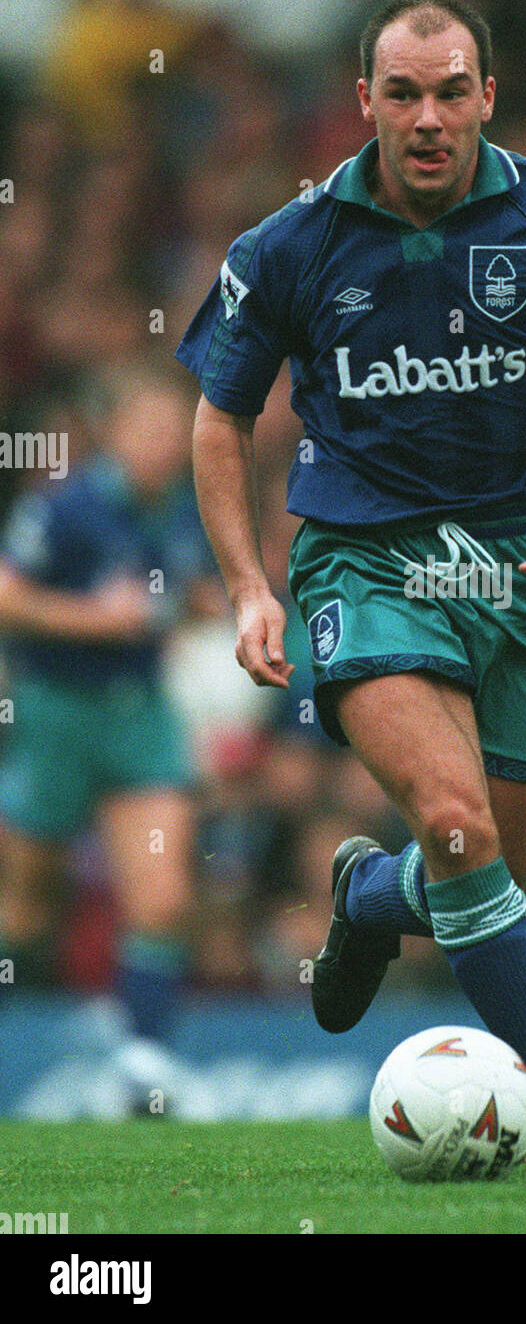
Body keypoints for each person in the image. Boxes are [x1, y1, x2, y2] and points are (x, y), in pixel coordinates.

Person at [180, 0, 526, 1174]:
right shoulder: (289, 245)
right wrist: (248, 587)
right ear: (363, 99)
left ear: (487, 96)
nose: (427, 119)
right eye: (402, 94)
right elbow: (220, 417)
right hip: (361, 560)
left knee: (495, 879)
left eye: (450, 91)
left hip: (519, 568)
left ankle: (369, 895)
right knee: (462, 832)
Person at [0, 374, 216, 1101]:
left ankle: (144, 1065)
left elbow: (181, 599)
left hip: (143, 716)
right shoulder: (62, 509)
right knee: (27, 908)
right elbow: (6, 598)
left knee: (163, 896)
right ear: (115, 433)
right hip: (58, 712)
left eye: (174, 431)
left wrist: (202, 608)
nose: (165, 446)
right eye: (150, 429)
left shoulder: (187, 515)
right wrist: (98, 618)